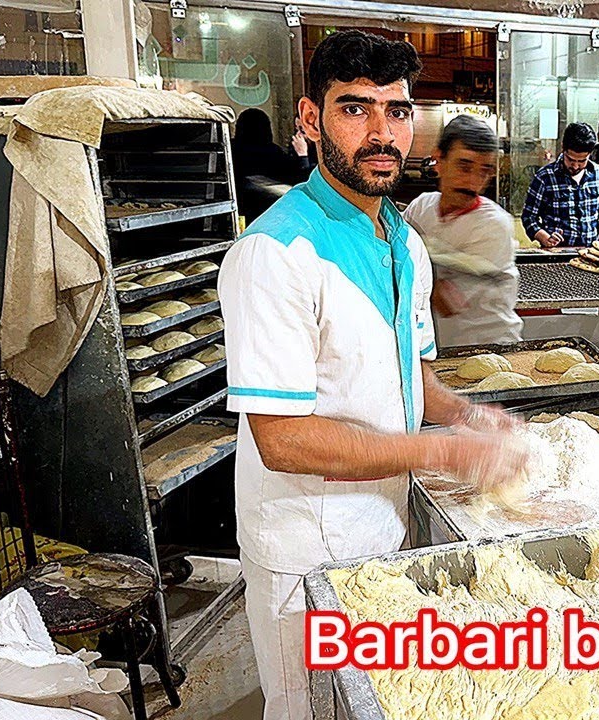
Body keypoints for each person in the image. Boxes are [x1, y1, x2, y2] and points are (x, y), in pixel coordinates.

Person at [218, 30, 526, 720]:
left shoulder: (404, 241)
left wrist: (466, 417)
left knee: (373, 704)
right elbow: (282, 440)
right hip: (305, 550)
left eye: (397, 111)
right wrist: (445, 452)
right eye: (355, 110)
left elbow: (410, 379)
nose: (382, 133)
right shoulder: (275, 254)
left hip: (386, 527)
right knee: (310, 710)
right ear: (309, 119)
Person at [404, 115, 522, 347]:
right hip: (438, 347)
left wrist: (413, 255)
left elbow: (446, 302)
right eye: (464, 166)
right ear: (439, 160)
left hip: (489, 347)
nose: (473, 182)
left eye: (484, 171)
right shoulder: (421, 207)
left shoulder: (494, 225)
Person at [521, 122, 599, 248]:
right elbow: (529, 217)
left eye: (581, 161)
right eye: (570, 159)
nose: (575, 166)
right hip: (557, 252)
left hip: (592, 252)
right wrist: (544, 237)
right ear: (563, 148)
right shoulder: (545, 177)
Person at [231, 108, 310, 221]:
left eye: (302, 130)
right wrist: (302, 157)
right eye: (297, 129)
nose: (297, 136)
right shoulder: (274, 153)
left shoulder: (230, 149)